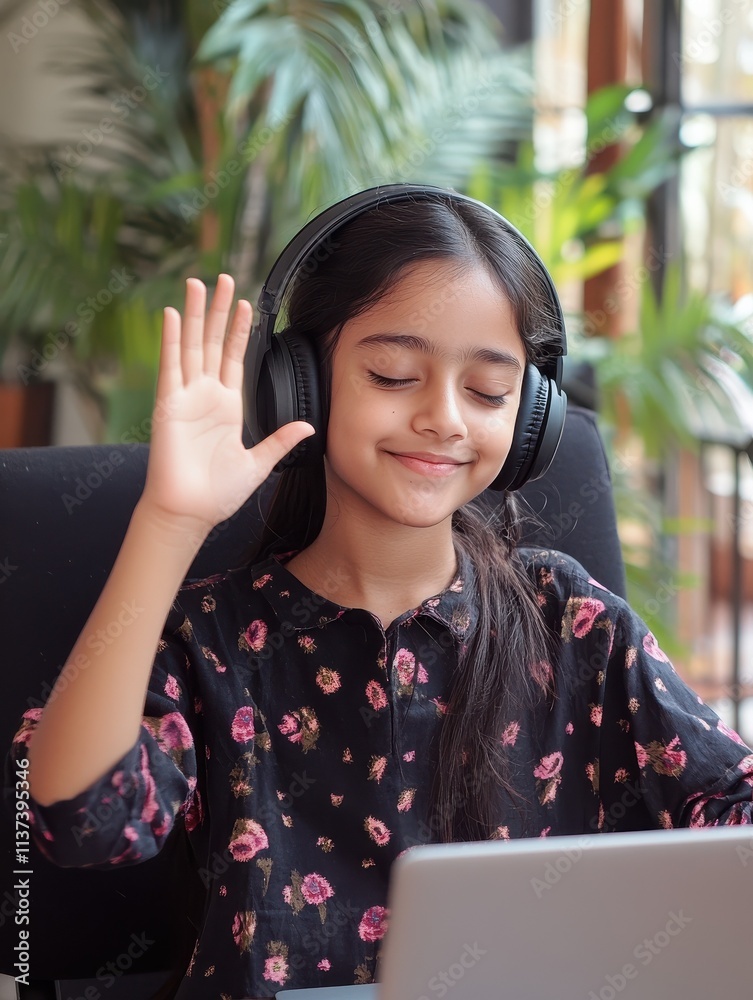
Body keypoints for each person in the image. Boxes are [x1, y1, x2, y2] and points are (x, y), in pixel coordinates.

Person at [11, 187, 753, 998]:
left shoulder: (570, 623)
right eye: (393, 373)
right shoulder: (214, 637)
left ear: (530, 420)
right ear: (303, 385)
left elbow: (732, 813)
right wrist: (168, 522)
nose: (443, 418)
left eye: (487, 392)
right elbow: (82, 819)